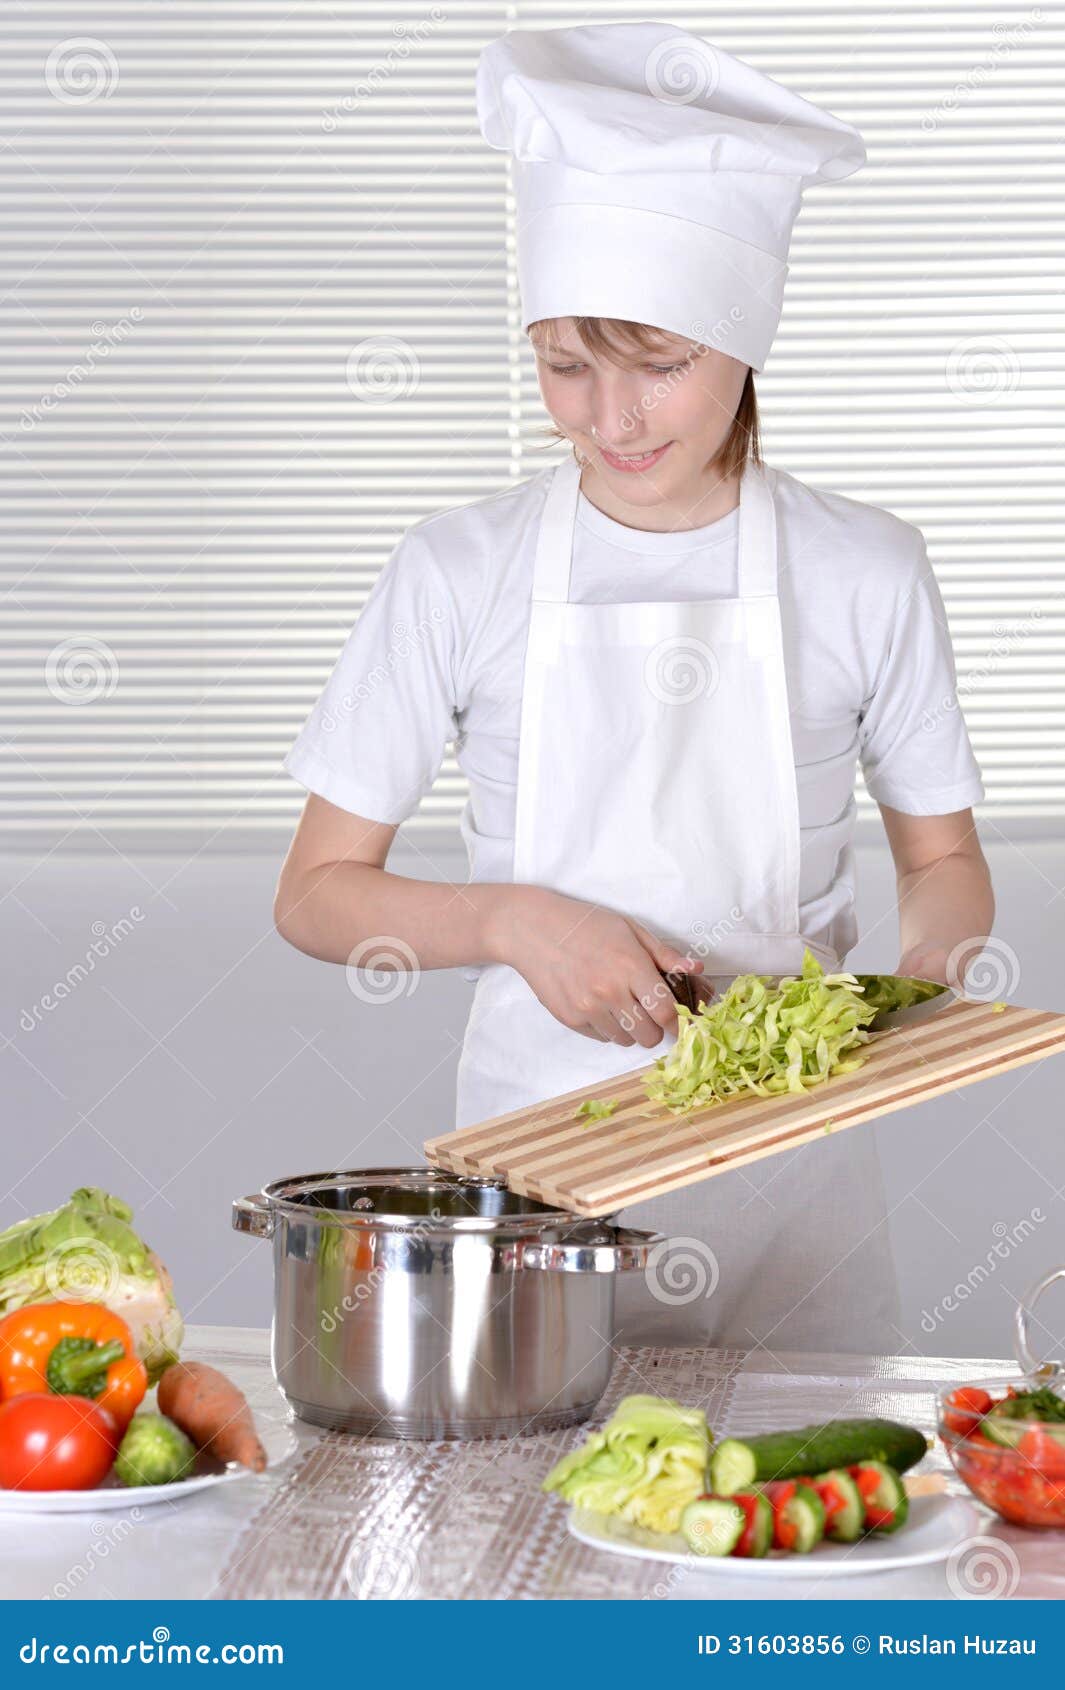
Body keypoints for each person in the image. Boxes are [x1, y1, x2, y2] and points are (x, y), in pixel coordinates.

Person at [274, 22, 994, 1355]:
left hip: (799, 1177)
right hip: (538, 1171)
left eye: (658, 363)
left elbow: (943, 858)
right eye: (564, 363)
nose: (608, 418)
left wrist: (904, 1002)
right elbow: (317, 894)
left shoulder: (866, 568)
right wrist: (514, 921)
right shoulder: (455, 571)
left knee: (802, 1517)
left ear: (744, 341)